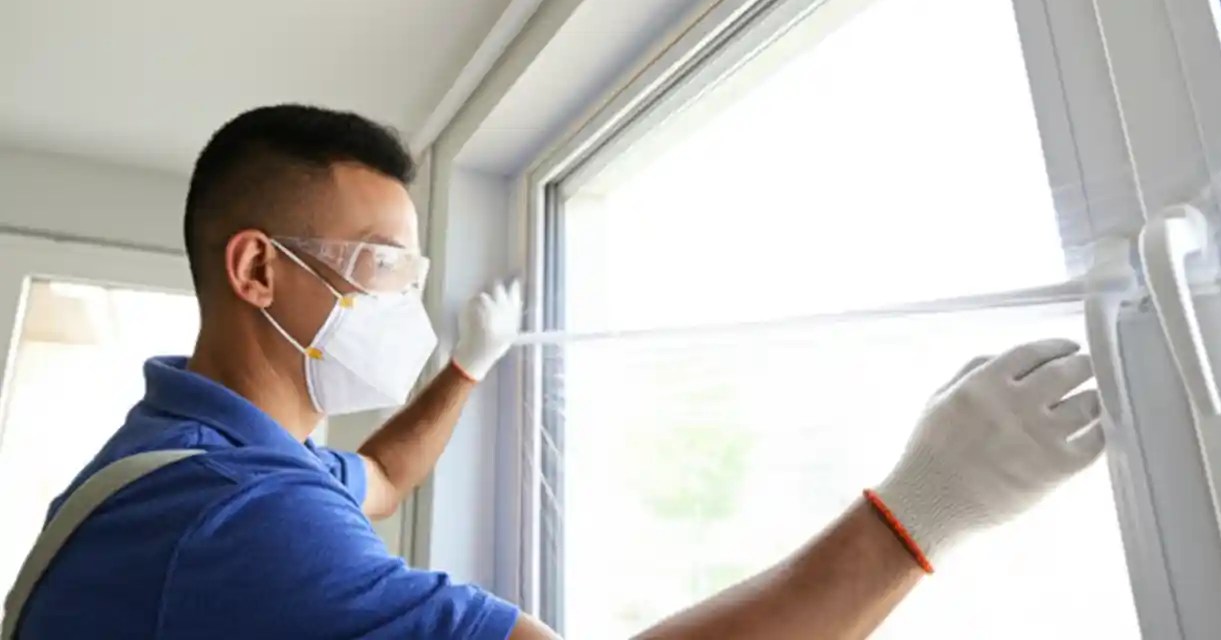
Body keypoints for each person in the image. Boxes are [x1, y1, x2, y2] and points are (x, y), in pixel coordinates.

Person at [7, 105, 1104, 640]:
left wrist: (468, 371)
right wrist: (923, 510)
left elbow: (377, 478)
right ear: (256, 268)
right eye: (383, 267)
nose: (407, 303)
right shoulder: (237, 517)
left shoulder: (206, 458)